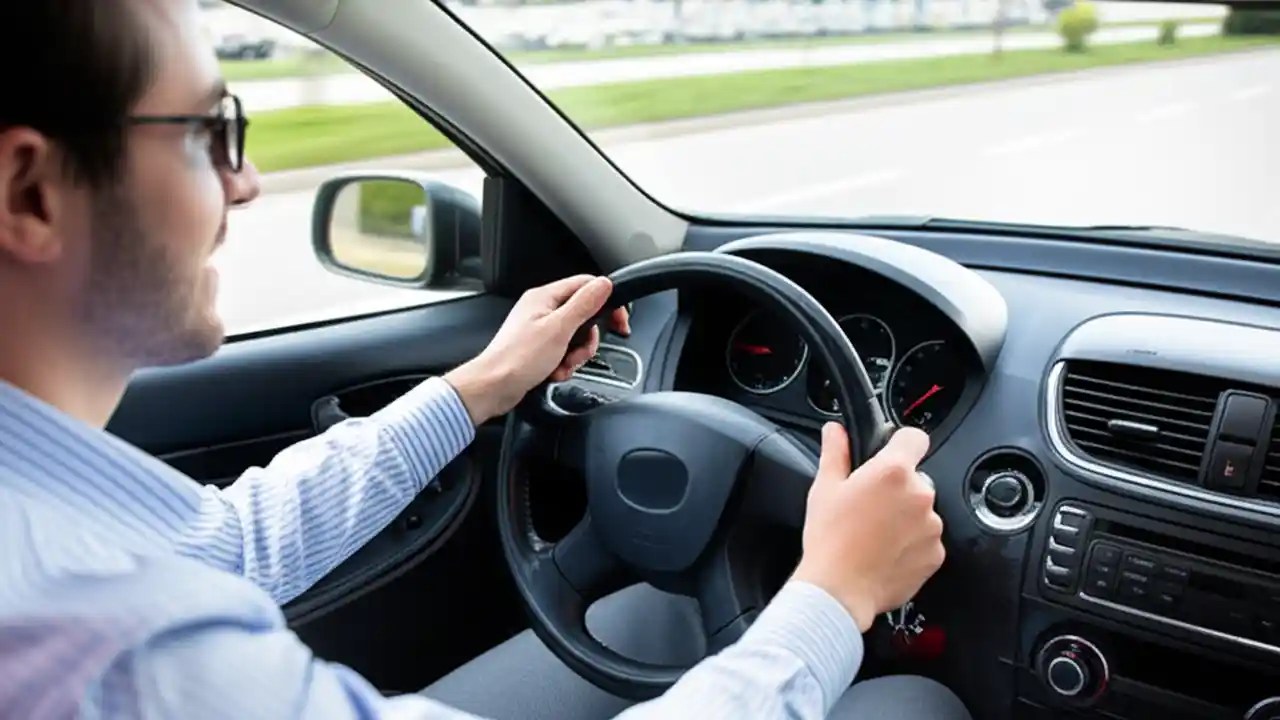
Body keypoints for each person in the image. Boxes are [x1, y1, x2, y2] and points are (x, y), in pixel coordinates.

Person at [0, 2, 970, 719]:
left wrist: (478, 388)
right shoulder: (118, 648)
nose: (247, 182)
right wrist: (835, 594)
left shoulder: (49, 523)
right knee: (913, 705)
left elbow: (227, 545)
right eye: (211, 133)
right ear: (30, 192)